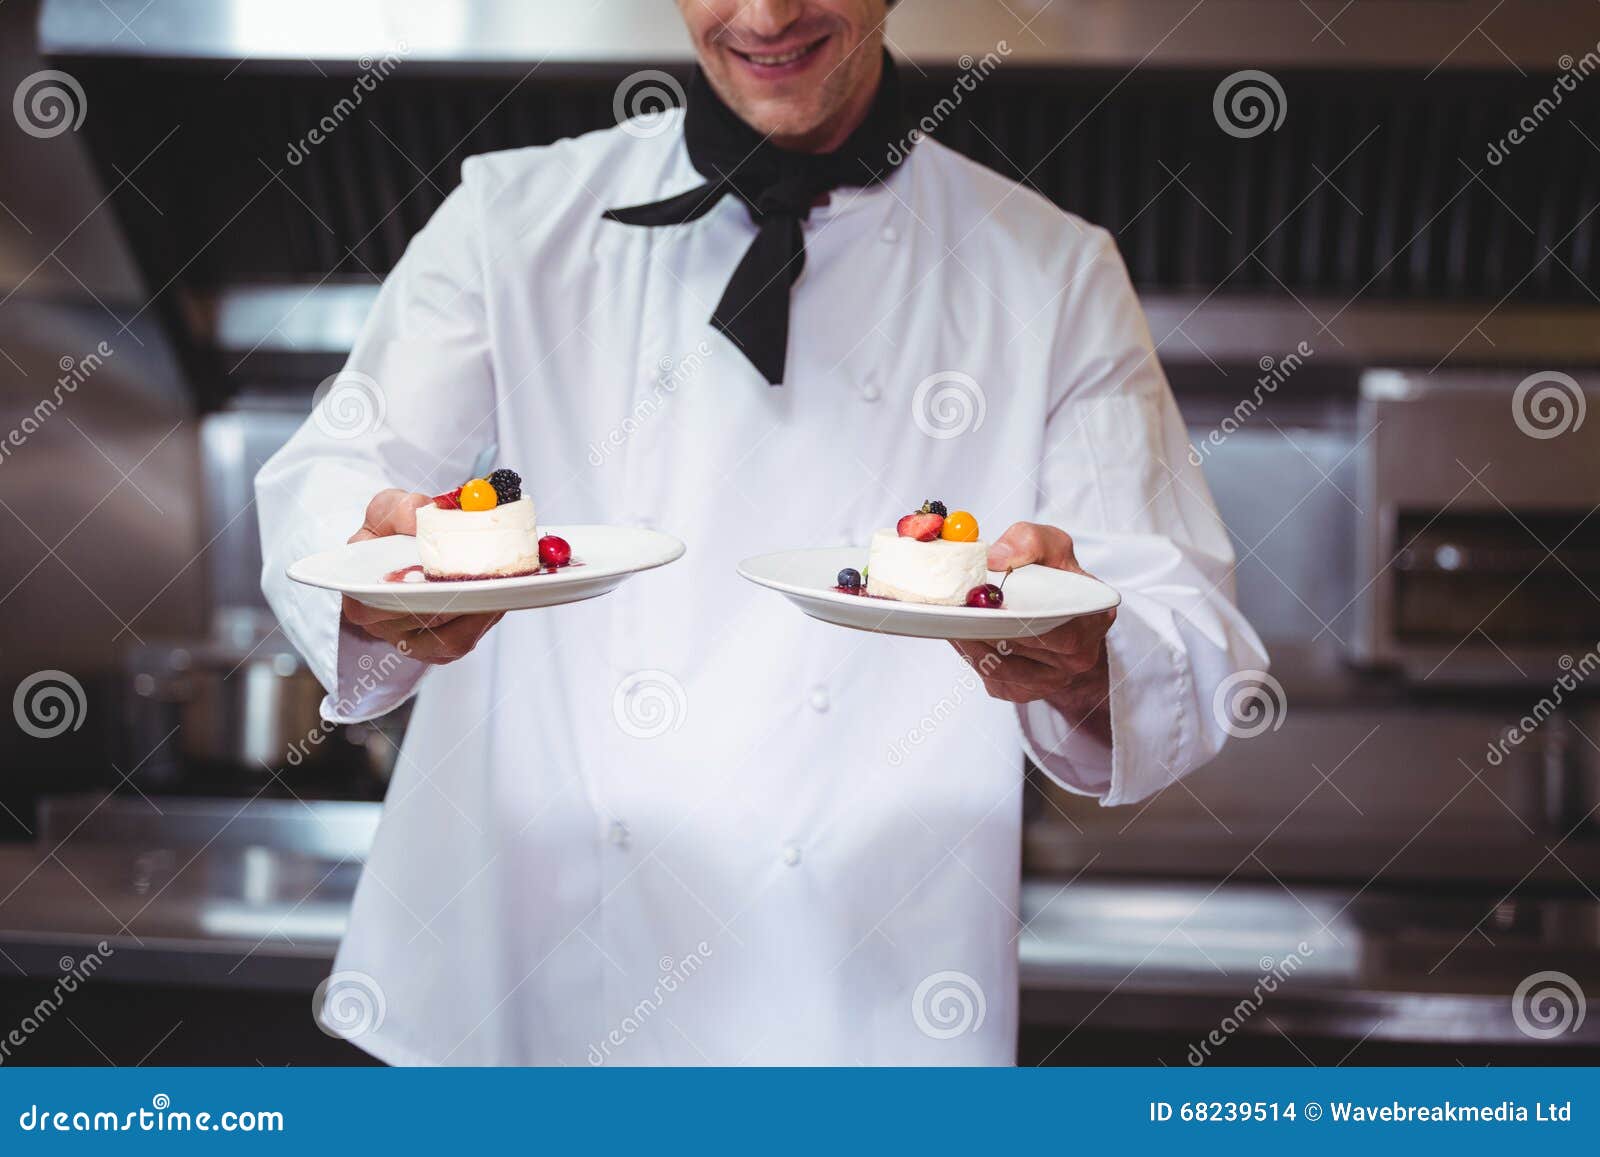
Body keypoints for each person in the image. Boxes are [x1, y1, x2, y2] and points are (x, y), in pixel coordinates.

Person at [257, 0, 1266, 1065]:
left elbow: (1180, 624)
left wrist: (1083, 659)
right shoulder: (509, 219)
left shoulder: (1052, 274)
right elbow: (334, 476)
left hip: (868, 1009)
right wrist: (375, 575)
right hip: (540, 987)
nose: (767, 14)